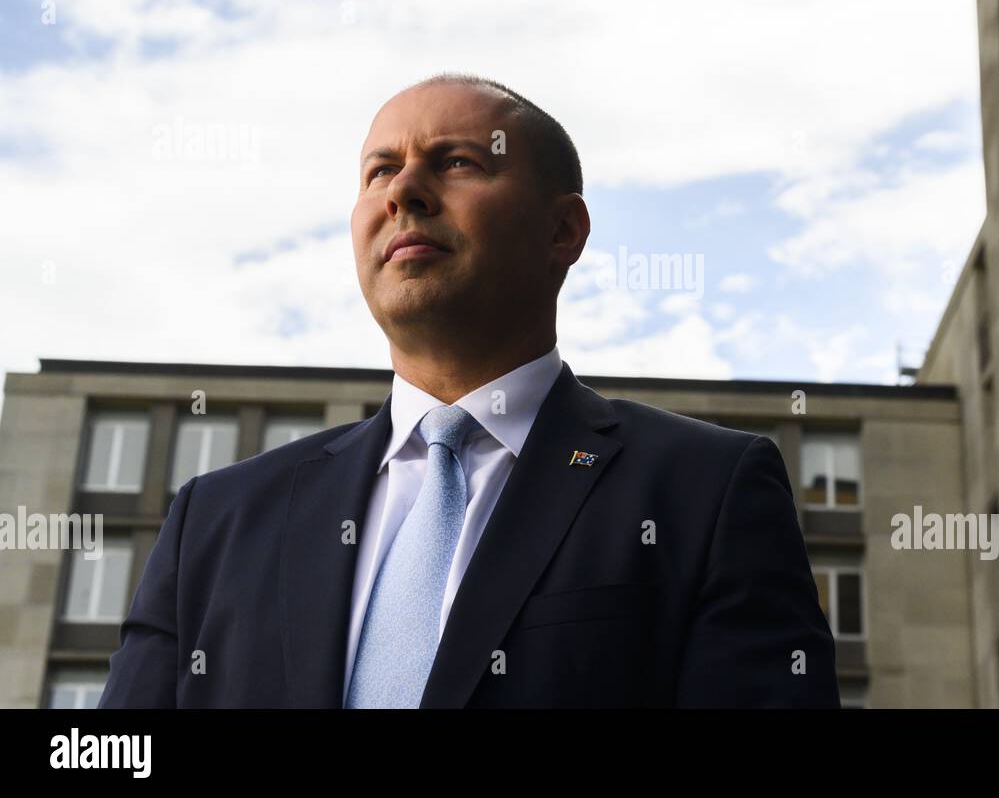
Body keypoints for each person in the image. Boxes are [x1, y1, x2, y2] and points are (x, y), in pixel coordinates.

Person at [99, 73, 839, 707]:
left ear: (563, 231)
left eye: (454, 162)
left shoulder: (704, 491)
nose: (405, 193)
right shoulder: (215, 522)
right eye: (379, 171)